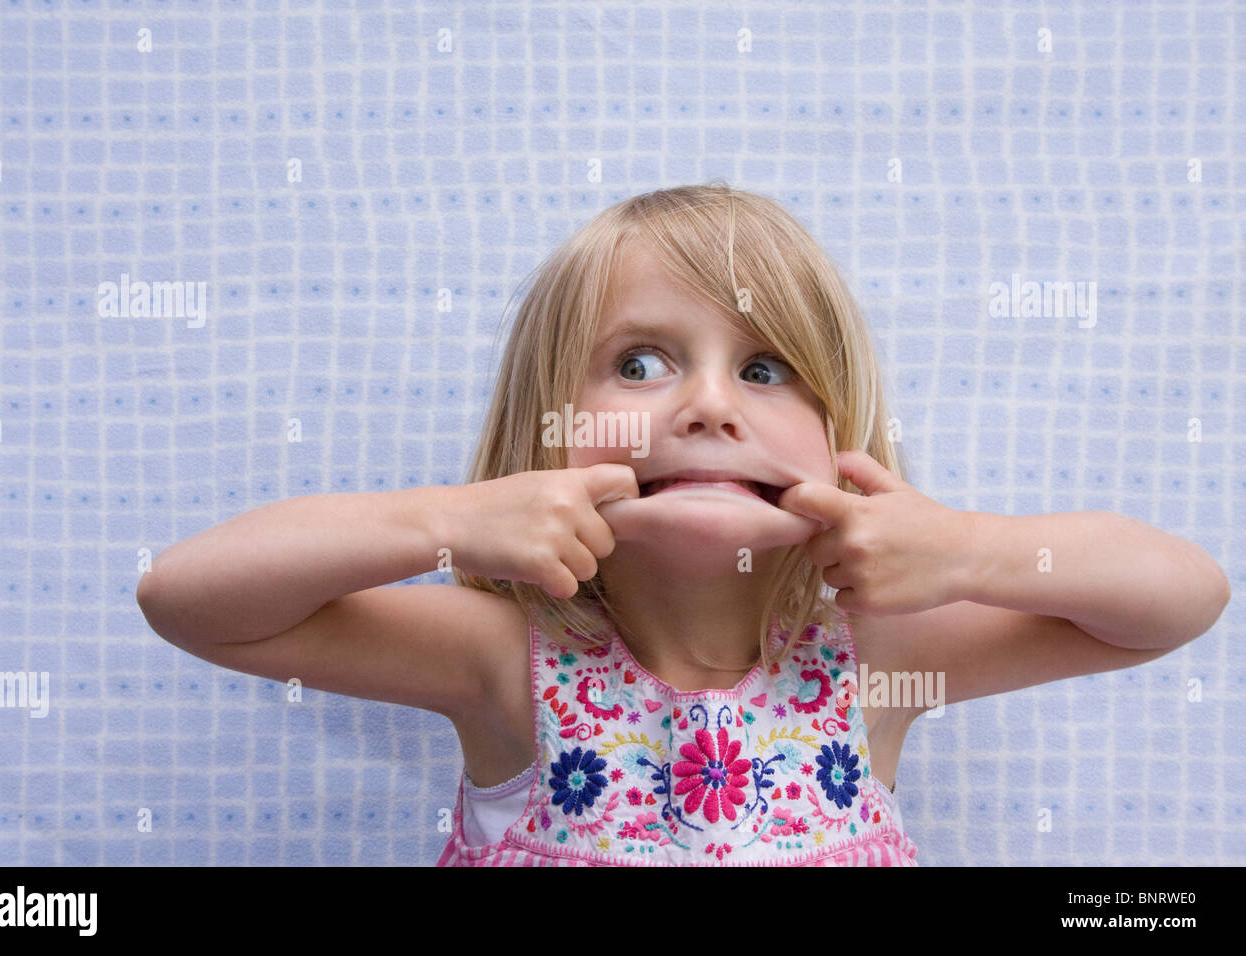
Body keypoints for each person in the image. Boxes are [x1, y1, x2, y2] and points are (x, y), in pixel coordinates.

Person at [137, 183, 1230, 866]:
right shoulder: (506, 665)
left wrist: (971, 551)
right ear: (548, 429)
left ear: (841, 431)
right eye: (641, 362)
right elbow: (191, 597)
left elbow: (1180, 595)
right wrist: (449, 524)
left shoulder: (878, 660)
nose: (708, 404)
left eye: (764, 369)